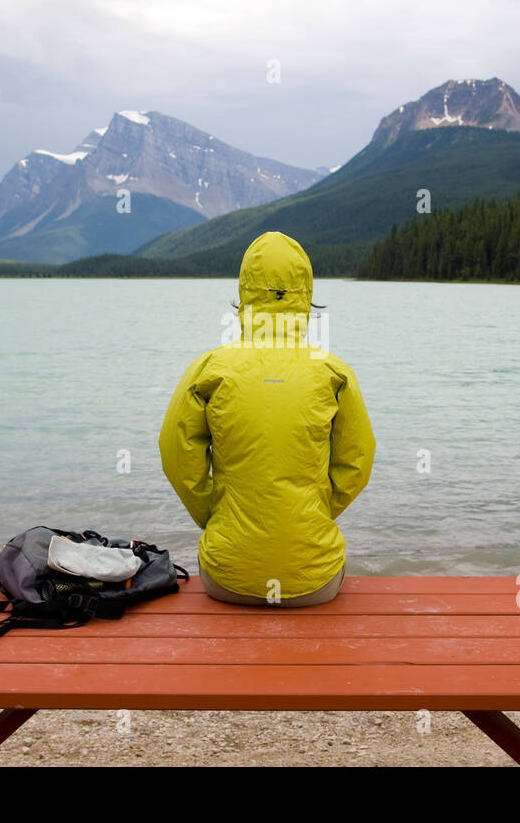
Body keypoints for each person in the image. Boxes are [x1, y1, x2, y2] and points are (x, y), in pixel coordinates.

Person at [158, 231, 375, 606]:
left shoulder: (210, 369)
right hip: (314, 583)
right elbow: (356, 462)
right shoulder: (334, 372)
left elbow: (177, 458)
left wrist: (216, 514)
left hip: (226, 580)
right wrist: (318, 508)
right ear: (306, 292)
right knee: (326, 560)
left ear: (244, 293)